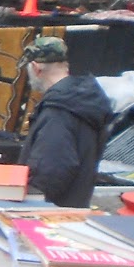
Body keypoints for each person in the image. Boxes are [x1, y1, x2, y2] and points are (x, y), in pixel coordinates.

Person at [19, 35, 112, 207]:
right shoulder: (81, 100)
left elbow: (50, 172)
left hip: (51, 213)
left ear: (36, 68)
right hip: (75, 208)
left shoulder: (58, 111)